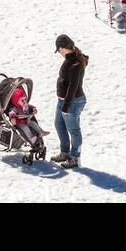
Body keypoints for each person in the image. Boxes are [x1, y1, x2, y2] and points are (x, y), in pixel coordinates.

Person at [51, 34, 87, 169]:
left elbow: (73, 86)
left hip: (72, 102)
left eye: (59, 50)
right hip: (63, 101)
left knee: (74, 130)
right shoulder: (72, 58)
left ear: (63, 48)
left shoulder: (74, 63)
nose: (59, 52)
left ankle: (75, 158)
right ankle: (65, 153)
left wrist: (66, 106)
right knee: (59, 125)